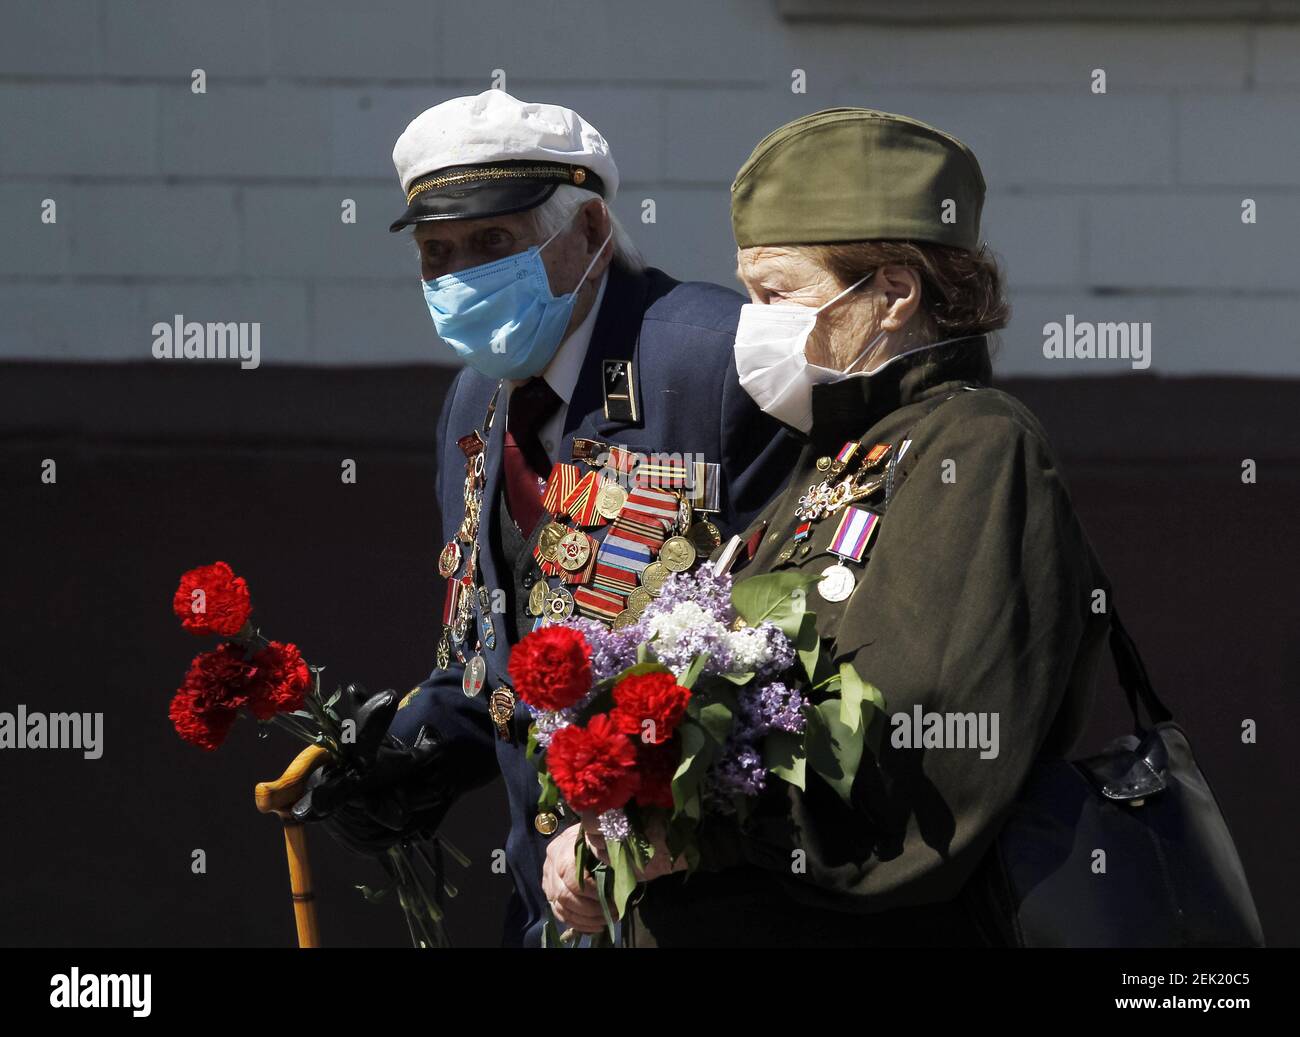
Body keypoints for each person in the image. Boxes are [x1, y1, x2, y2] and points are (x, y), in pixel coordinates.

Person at [545, 107, 1113, 946]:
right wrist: (611, 816)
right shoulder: (842, 450)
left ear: (892, 294)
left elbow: (919, 757)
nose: (755, 322)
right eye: (749, 294)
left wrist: (690, 826)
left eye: (777, 293)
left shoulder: (977, 446)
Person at [291, 89, 801, 947]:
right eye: (436, 253)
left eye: (494, 242)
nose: (461, 277)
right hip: (542, 915)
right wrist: (392, 761)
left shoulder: (716, 358)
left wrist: (635, 826)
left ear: (592, 228)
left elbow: (791, 653)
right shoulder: (474, 397)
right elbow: (492, 665)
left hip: (706, 914)